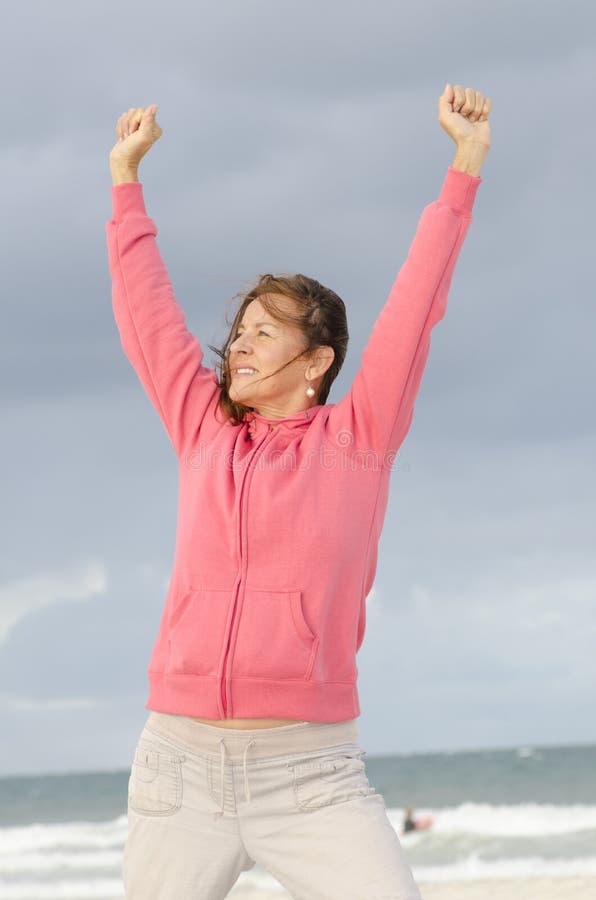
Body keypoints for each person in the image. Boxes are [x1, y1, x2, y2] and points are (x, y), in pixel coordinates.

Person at [106, 82, 491, 900]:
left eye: (264, 332)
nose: (238, 346)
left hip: (310, 772)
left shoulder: (359, 440)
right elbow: (148, 318)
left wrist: (465, 165)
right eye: (238, 332)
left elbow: (416, 306)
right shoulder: (202, 430)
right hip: (181, 768)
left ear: (317, 360)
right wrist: (124, 183)